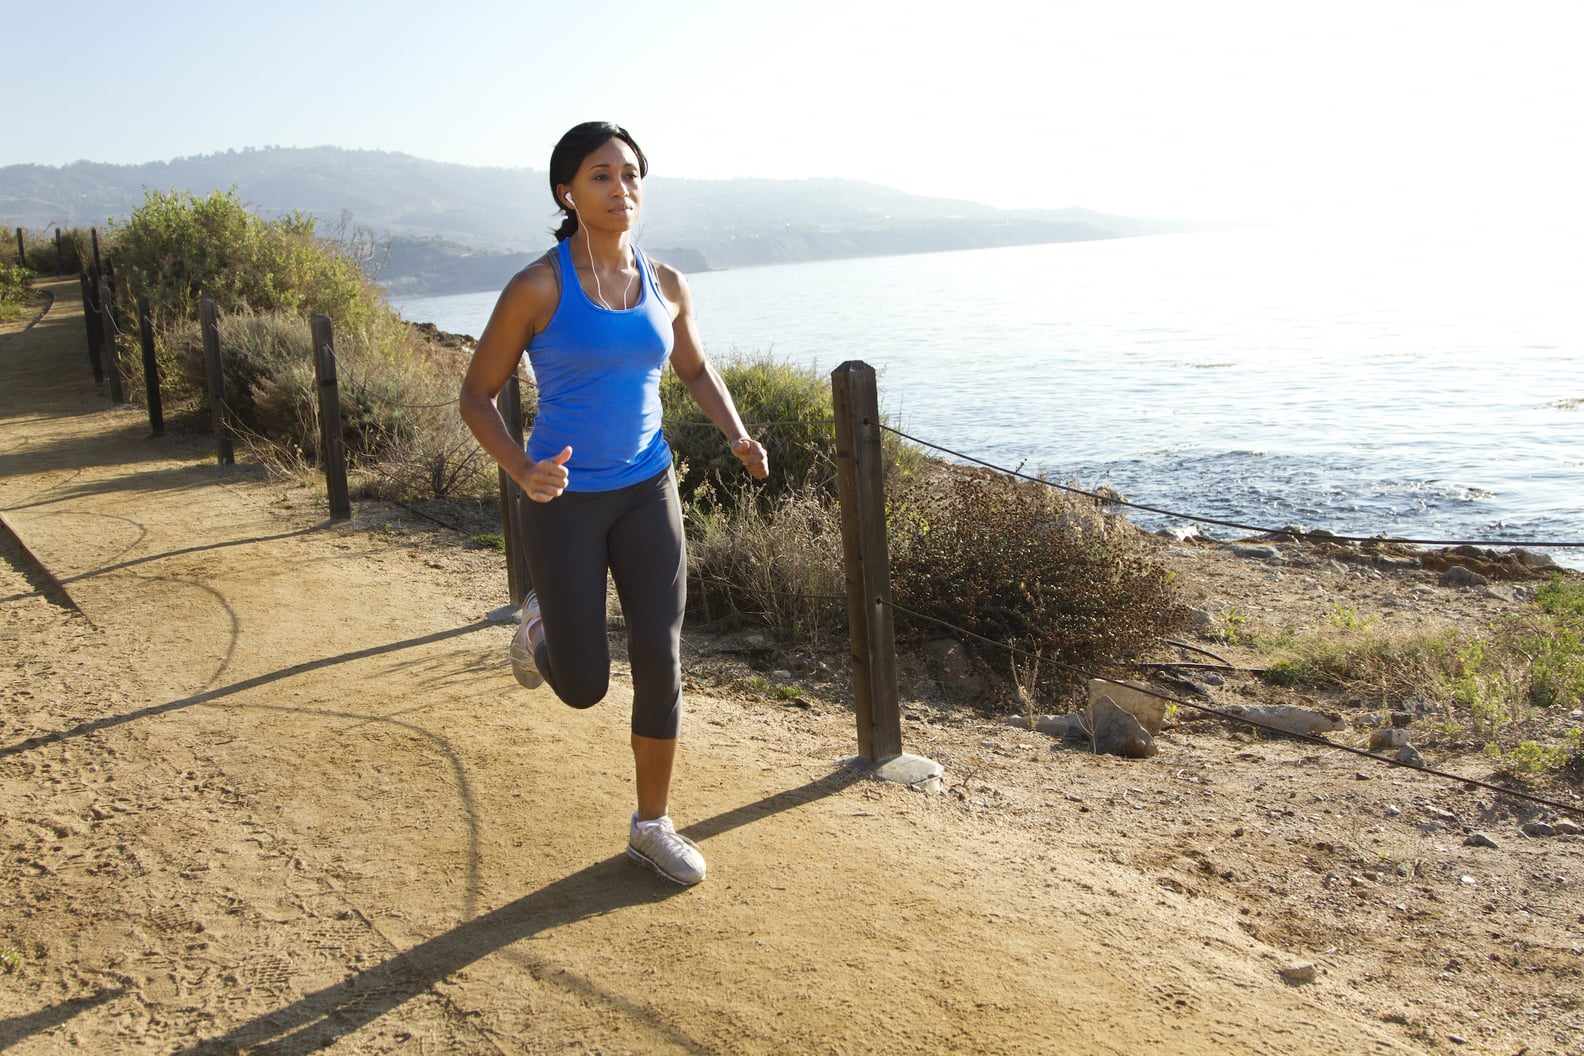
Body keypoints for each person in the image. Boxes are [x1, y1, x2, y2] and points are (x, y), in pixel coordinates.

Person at [459, 121, 768, 886]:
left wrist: (737, 433)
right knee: (585, 686)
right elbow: (476, 395)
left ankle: (651, 826)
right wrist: (522, 468)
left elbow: (694, 369)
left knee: (662, 656)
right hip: (563, 499)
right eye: (601, 175)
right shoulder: (540, 285)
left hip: (646, 486)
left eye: (630, 174)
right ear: (567, 190)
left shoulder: (664, 283)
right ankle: (538, 627)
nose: (619, 188)